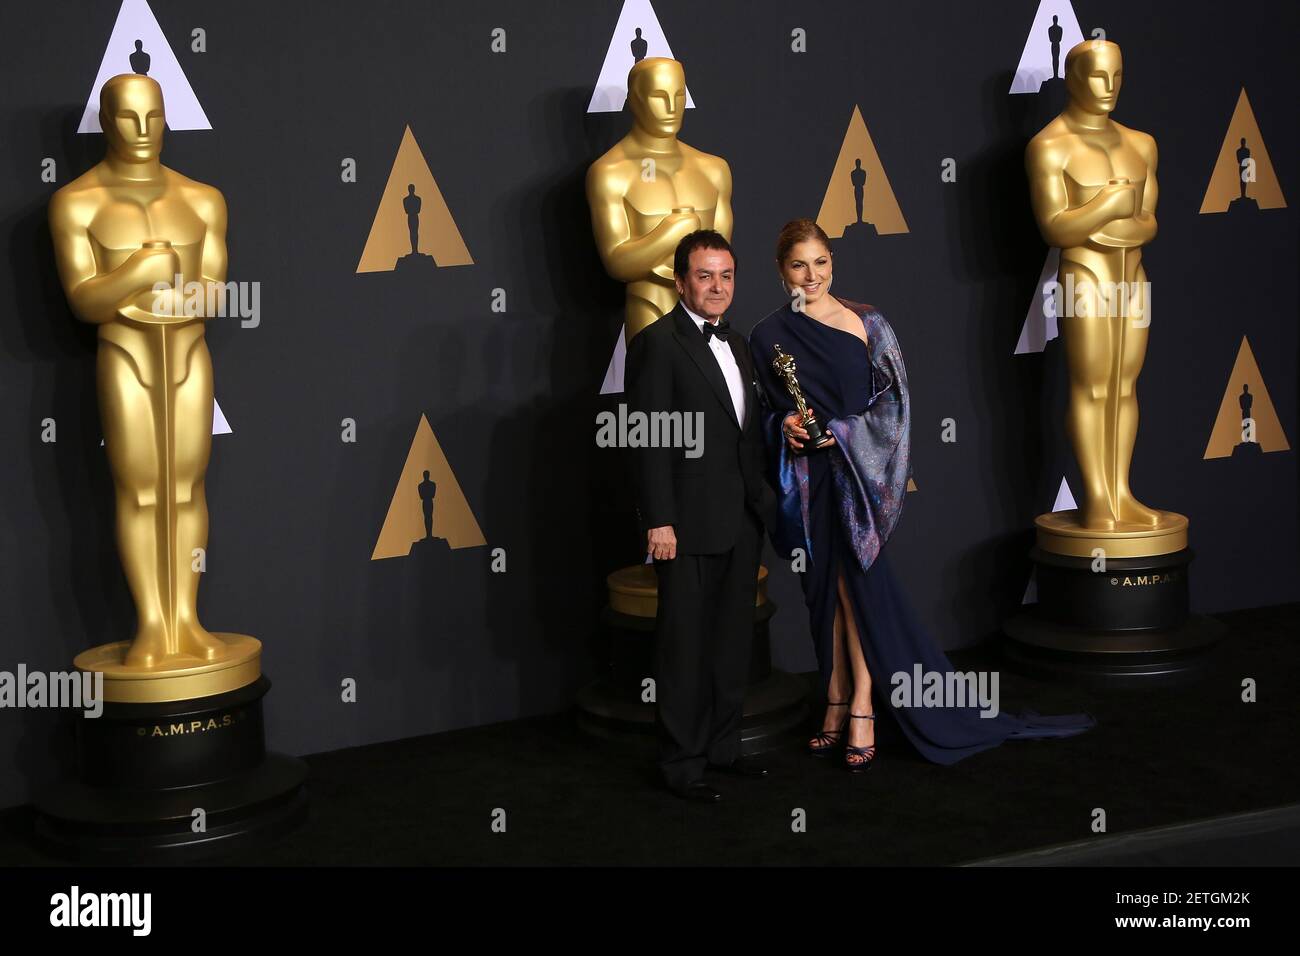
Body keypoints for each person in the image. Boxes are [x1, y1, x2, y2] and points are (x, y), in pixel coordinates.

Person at [748, 219, 1096, 771]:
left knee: (855, 591)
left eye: (819, 262)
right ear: (780, 270)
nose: (810, 276)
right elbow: (762, 412)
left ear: (832, 261)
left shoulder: (868, 323)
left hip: (856, 484)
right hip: (807, 486)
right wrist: (783, 425)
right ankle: (837, 697)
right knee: (826, 593)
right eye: (798, 265)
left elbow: (895, 408)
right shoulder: (766, 335)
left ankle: (858, 704)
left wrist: (840, 433)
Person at [625, 229, 775, 802]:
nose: (717, 287)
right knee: (684, 648)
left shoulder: (738, 343)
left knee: (731, 642)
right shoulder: (657, 344)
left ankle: (723, 750)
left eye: (726, 276)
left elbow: (742, 434)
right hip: (684, 524)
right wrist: (658, 521)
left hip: (741, 516)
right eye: (705, 276)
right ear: (681, 280)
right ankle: (682, 765)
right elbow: (648, 441)